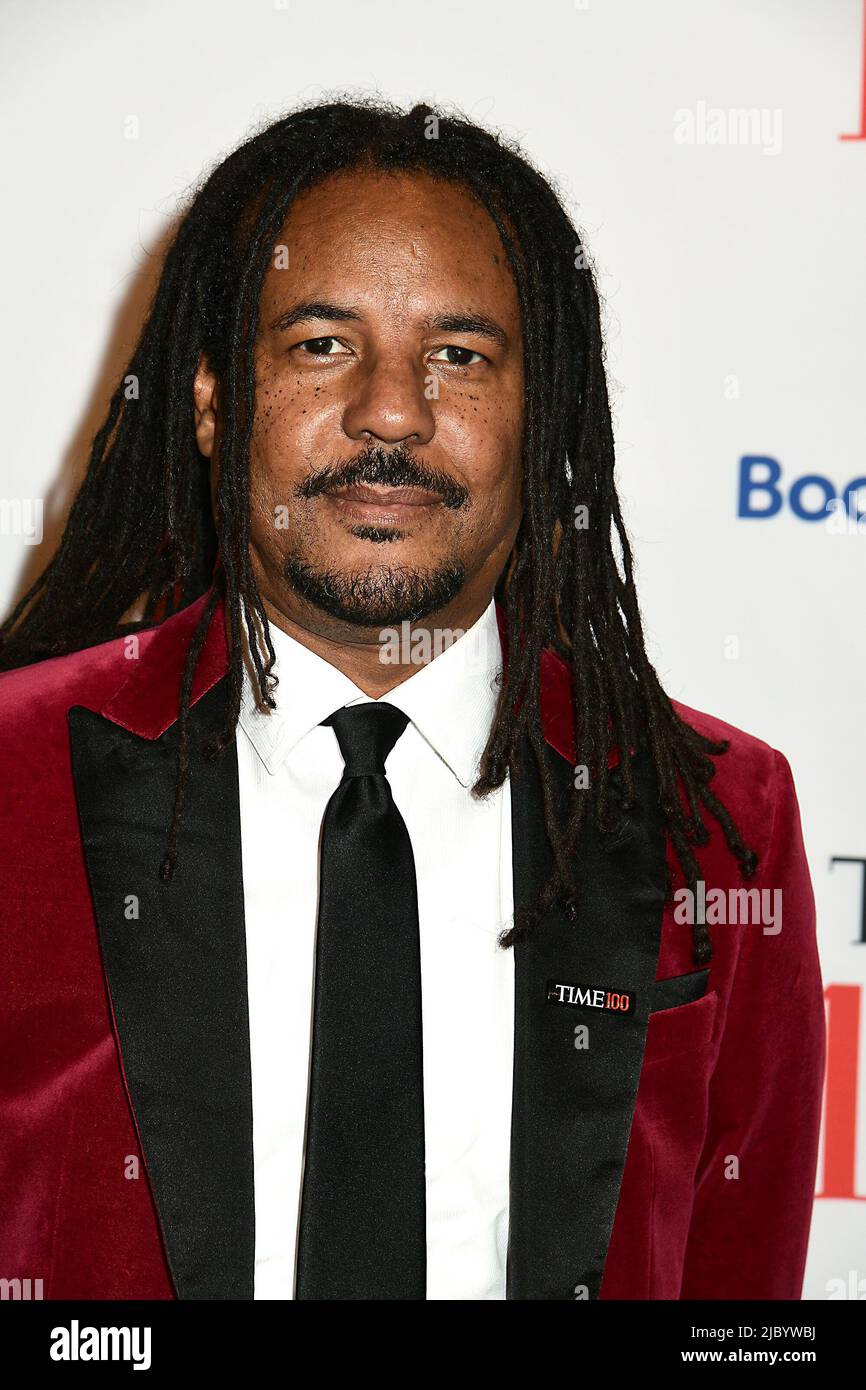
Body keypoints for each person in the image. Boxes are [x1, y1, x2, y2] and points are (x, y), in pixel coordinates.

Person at [0, 100, 825, 1301]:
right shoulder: (14, 783)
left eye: (459, 354)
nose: (393, 411)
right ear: (212, 402)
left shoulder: (718, 816)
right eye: (321, 343)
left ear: (540, 421)